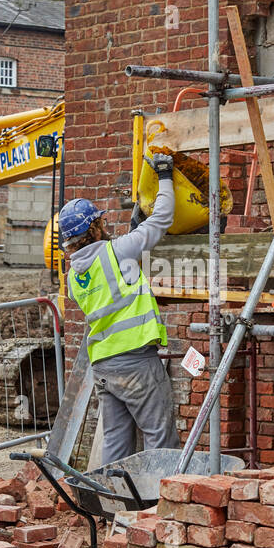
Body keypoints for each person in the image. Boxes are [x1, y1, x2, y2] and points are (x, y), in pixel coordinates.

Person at [60, 153, 178, 464]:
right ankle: (159, 507)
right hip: (136, 361)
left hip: (103, 367)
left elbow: (111, 275)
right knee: (159, 439)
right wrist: (165, 176)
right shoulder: (117, 251)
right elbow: (163, 218)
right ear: (94, 228)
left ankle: (112, 507)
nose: (105, 225)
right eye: (101, 222)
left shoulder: (73, 277)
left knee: (115, 442)